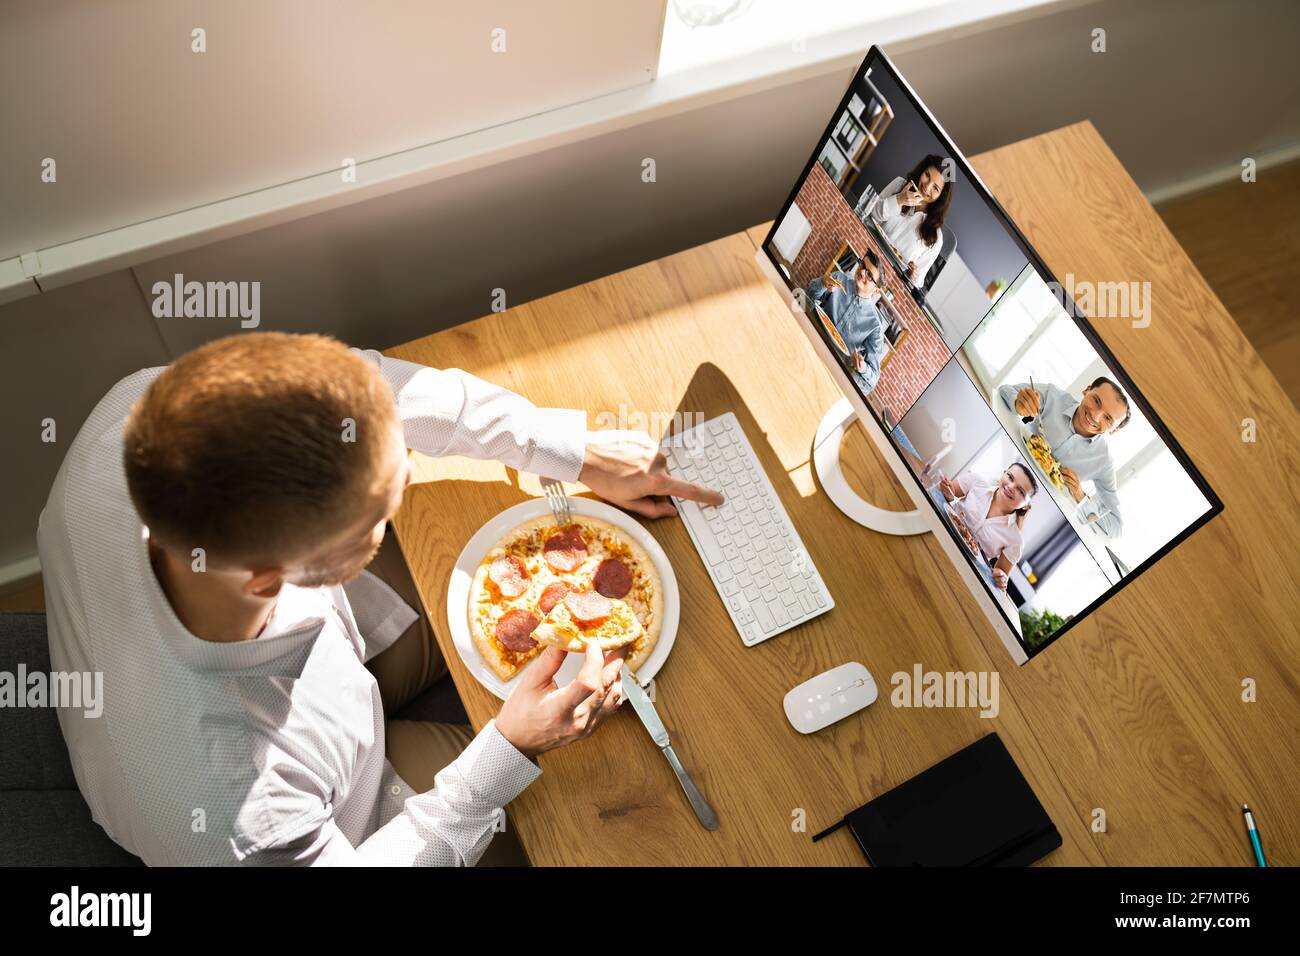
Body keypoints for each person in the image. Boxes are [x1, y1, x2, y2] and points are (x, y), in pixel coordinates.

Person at [39, 332, 724, 865]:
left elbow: (374, 390)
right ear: (273, 576)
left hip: (316, 679)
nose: (396, 502)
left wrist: (571, 451)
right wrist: (509, 750)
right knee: (610, 809)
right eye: (375, 517)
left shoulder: (138, 410)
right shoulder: (245, 819)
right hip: (330, 811)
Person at [997, 376, 1129, 538]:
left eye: (1108, 418)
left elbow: (1116, 527)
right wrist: (1018, 402)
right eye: (1096, 401)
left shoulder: (1104, 462)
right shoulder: (1053, 396)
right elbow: (1005, 390)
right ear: (1086, 390)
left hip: (1039, 510)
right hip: (1005, 467)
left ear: (1113, 430)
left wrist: (1081, 497)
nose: (1095, 416)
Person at [937, 462, 1037, 592]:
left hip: (963, 571)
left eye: (1021, 491)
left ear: (1026, 506)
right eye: (1010, 477)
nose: (1011, 487)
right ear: (1004, 473)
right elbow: (943, 495)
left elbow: (998, 576)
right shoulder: (976, 481)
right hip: (940, 532)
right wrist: (947, 494)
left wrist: (1002, 580)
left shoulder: (1016, 540)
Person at [805, 249, 888, 395]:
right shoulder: (839, 278)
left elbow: (873, 378)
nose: (862, 272)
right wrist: (822, 283)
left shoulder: (875, 327)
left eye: (869, 275)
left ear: (876, 291)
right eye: (863, 266)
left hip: (832, 365)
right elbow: (809, 294)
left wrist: (862, 367)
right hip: (811, 334)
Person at [867, 153, 954, 288]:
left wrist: (915, 275)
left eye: (936, 188)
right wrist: (899, 199)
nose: (927, 187)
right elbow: (870, 213)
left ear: (941, 197)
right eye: (927, 175)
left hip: (887, 281)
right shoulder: (899, 185)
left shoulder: (936, 238)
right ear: (922, 170)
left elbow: (918, 283)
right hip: (867, 250)